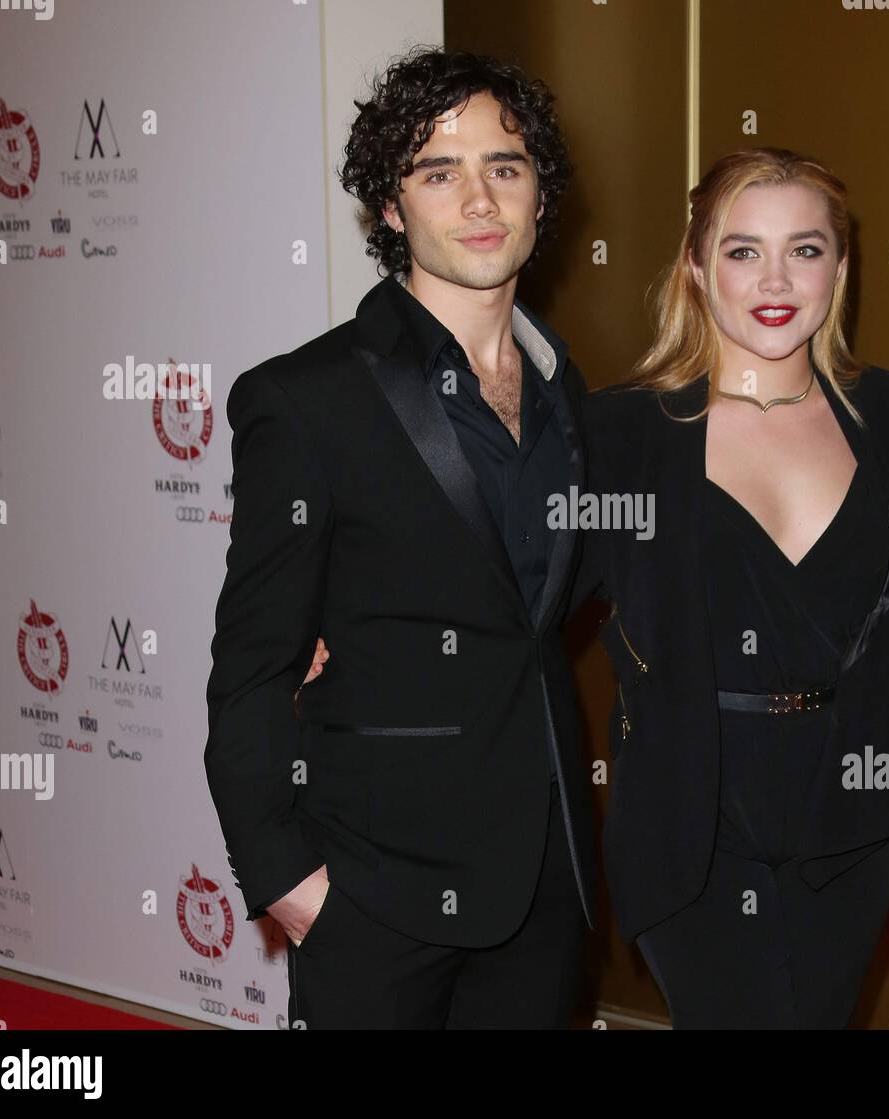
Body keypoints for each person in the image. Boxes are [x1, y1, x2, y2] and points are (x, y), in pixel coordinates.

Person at [204, 47, 595, 1029]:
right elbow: (253, 667)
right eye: (437, 171)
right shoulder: (305, 400)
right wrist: (289, 881)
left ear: (539, 195)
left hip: (545, 886)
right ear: (390, 206)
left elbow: (562, 606)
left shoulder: (570, 395)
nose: (478, 198)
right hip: (375, 894)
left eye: (505, 166)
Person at [569, 147, 889, 1027]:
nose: (775, 278)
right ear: (697, 268)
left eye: (805, 249)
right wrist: (350, 628)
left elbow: (887, 579)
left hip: (850, 810)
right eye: (743, 250)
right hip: (696, 813)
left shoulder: (885, 408)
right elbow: (529, 597)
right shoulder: (624, 430)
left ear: (841, 267)